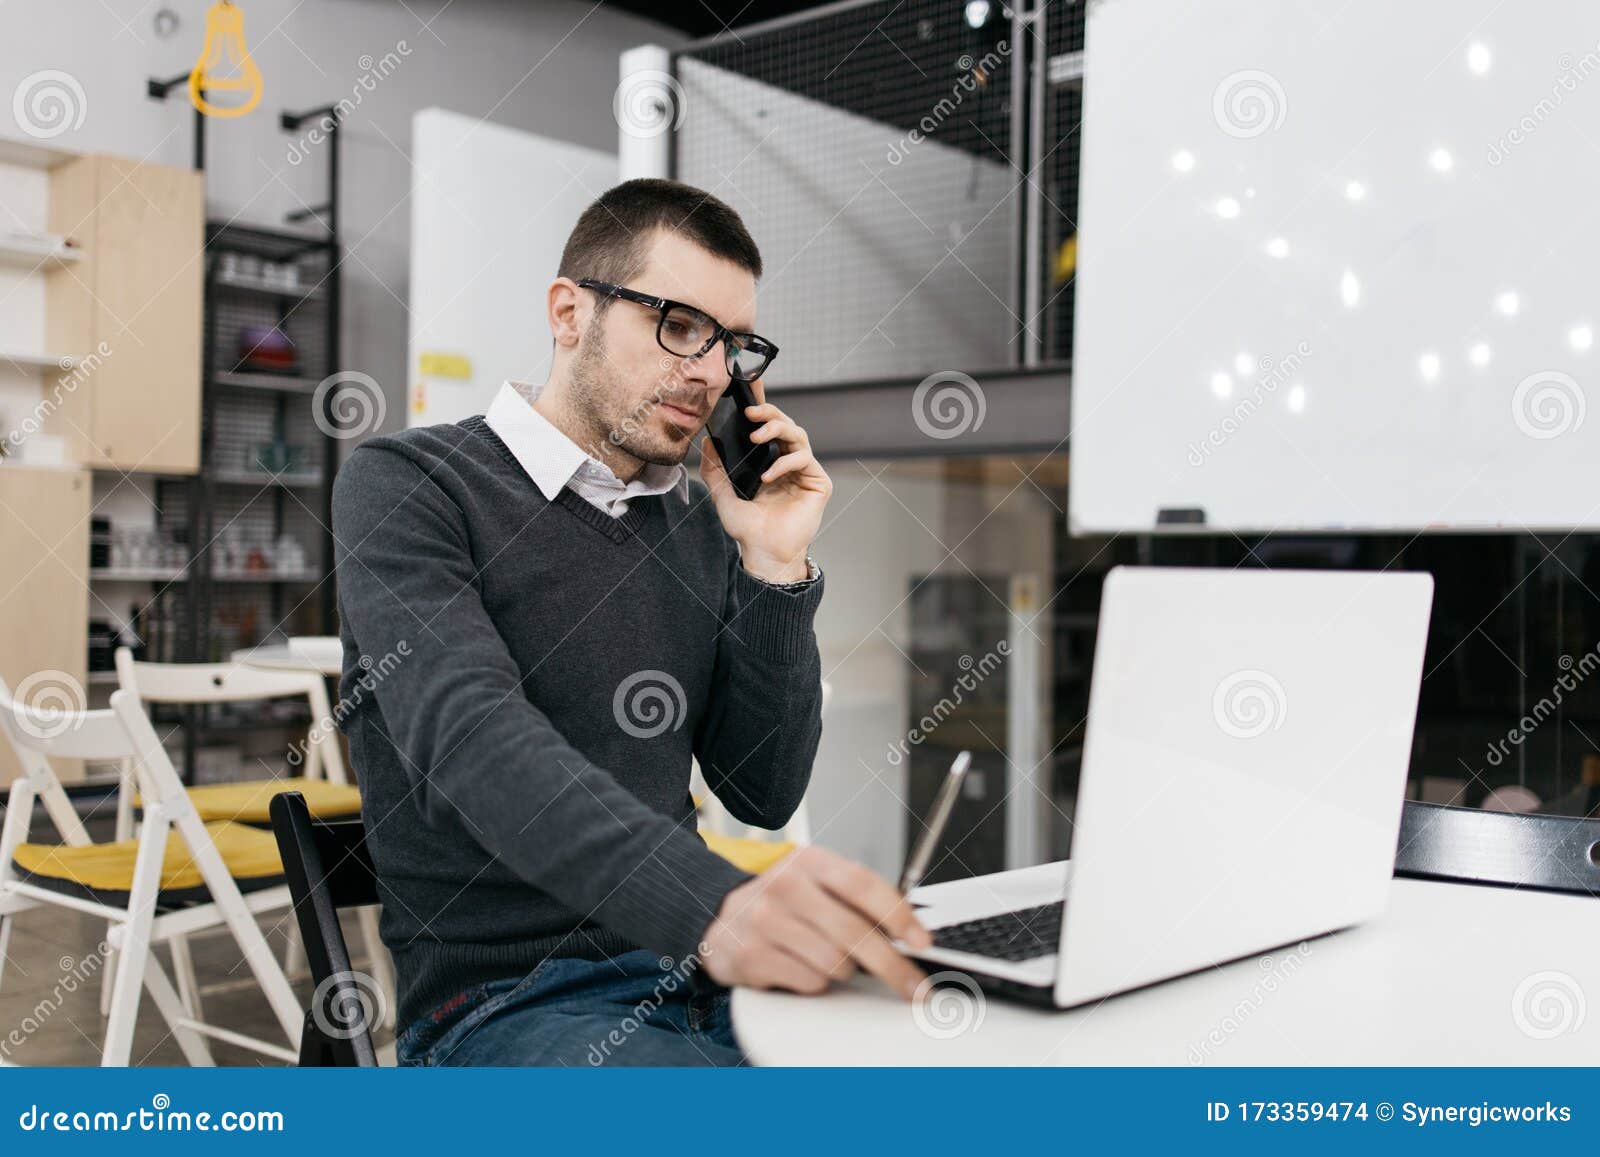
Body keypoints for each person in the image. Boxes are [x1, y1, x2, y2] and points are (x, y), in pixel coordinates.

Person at [332, 178, 932, 1066]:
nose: (711, 369)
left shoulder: (698, 523)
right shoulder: (410, 485)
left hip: (700, 978)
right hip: (507, 1003)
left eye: (732, 344)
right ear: (569, 312)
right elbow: (470, 739)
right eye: (680, 324)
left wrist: (774, 565)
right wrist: (715, 905)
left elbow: (760, 790)